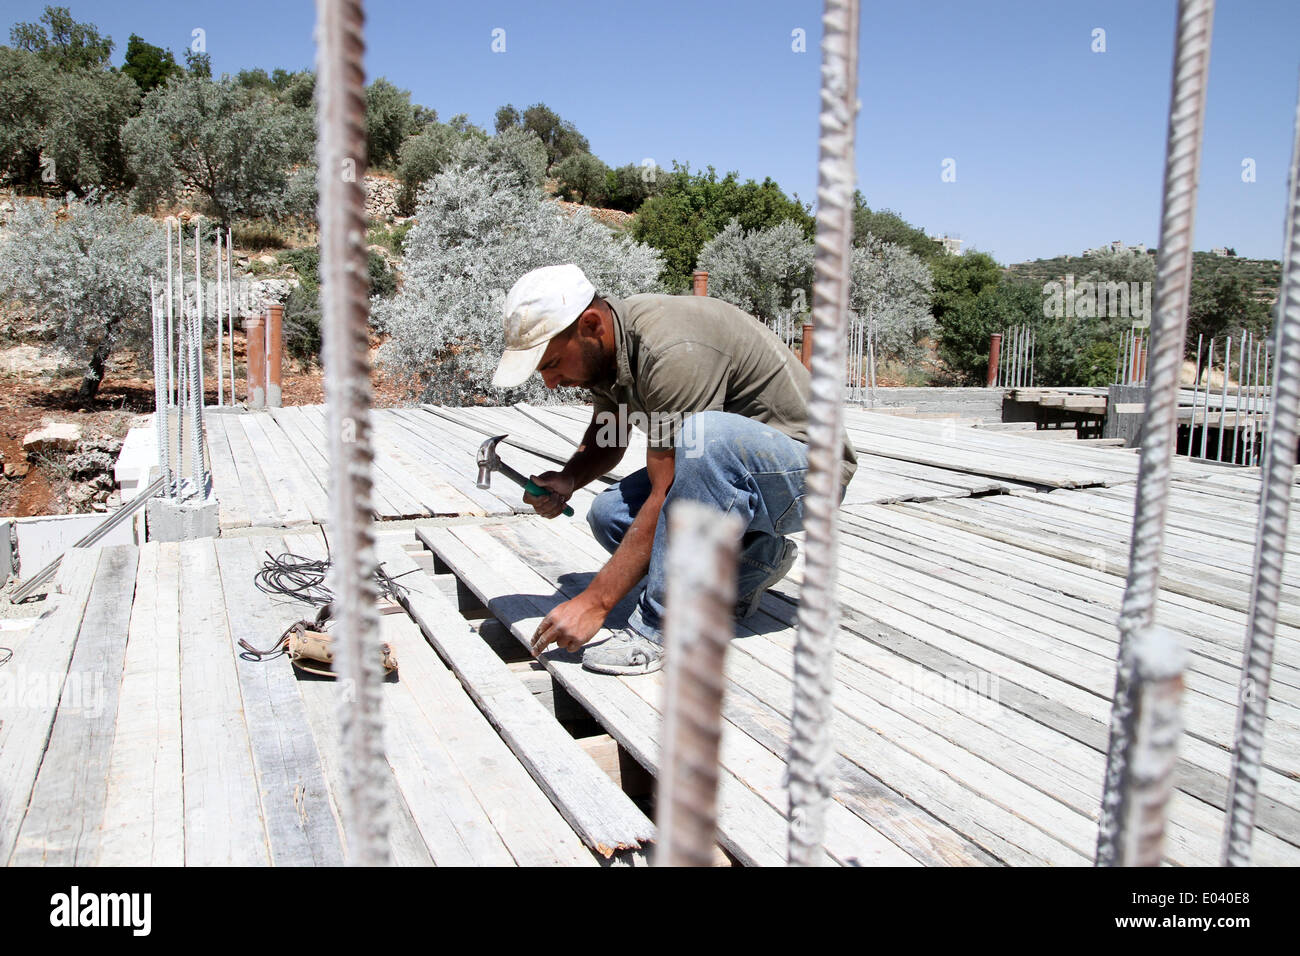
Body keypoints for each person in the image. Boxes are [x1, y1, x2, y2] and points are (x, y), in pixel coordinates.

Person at [491, 263, 857, 675]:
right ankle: (758, 560)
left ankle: (658, 628)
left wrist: (595, 602)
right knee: (609, 514)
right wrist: (570, 478)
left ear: (590, 325)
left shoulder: (668, 350)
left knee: (706, 437)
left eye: (552, 363)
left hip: (808, 476)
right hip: (733, 474)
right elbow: (609, 436)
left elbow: (666, 493)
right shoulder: (610, 350)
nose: (551, 382)